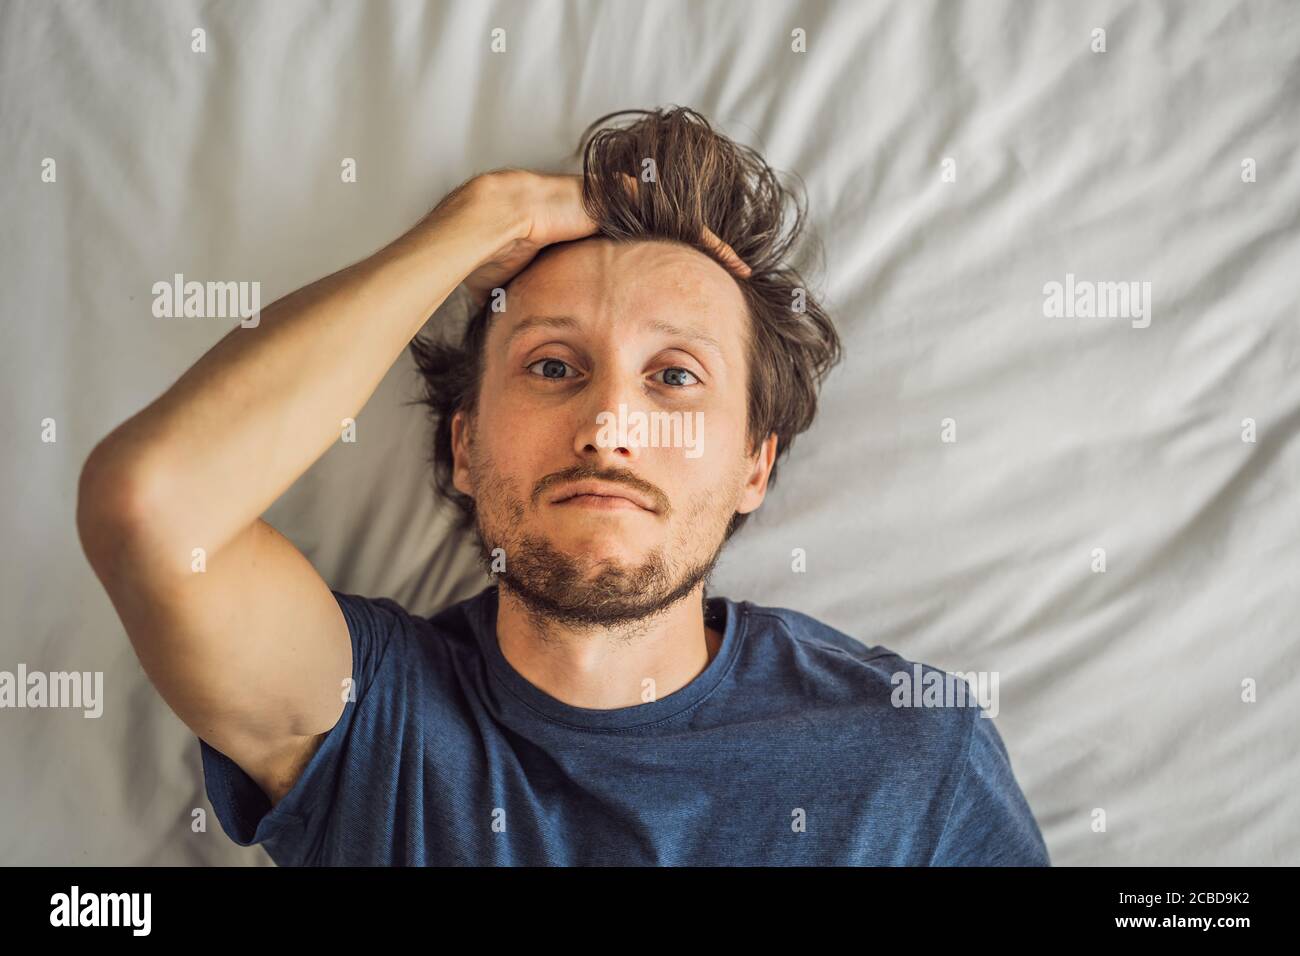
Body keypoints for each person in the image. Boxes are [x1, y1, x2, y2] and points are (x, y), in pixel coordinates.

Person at [77, 106, 1050, 866]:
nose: (607, 426)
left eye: (673, 376)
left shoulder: (910, 756)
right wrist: (475, 225)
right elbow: (152, 509)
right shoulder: (372, 719)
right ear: (462, 446)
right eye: (551, 366)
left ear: (756, 462)